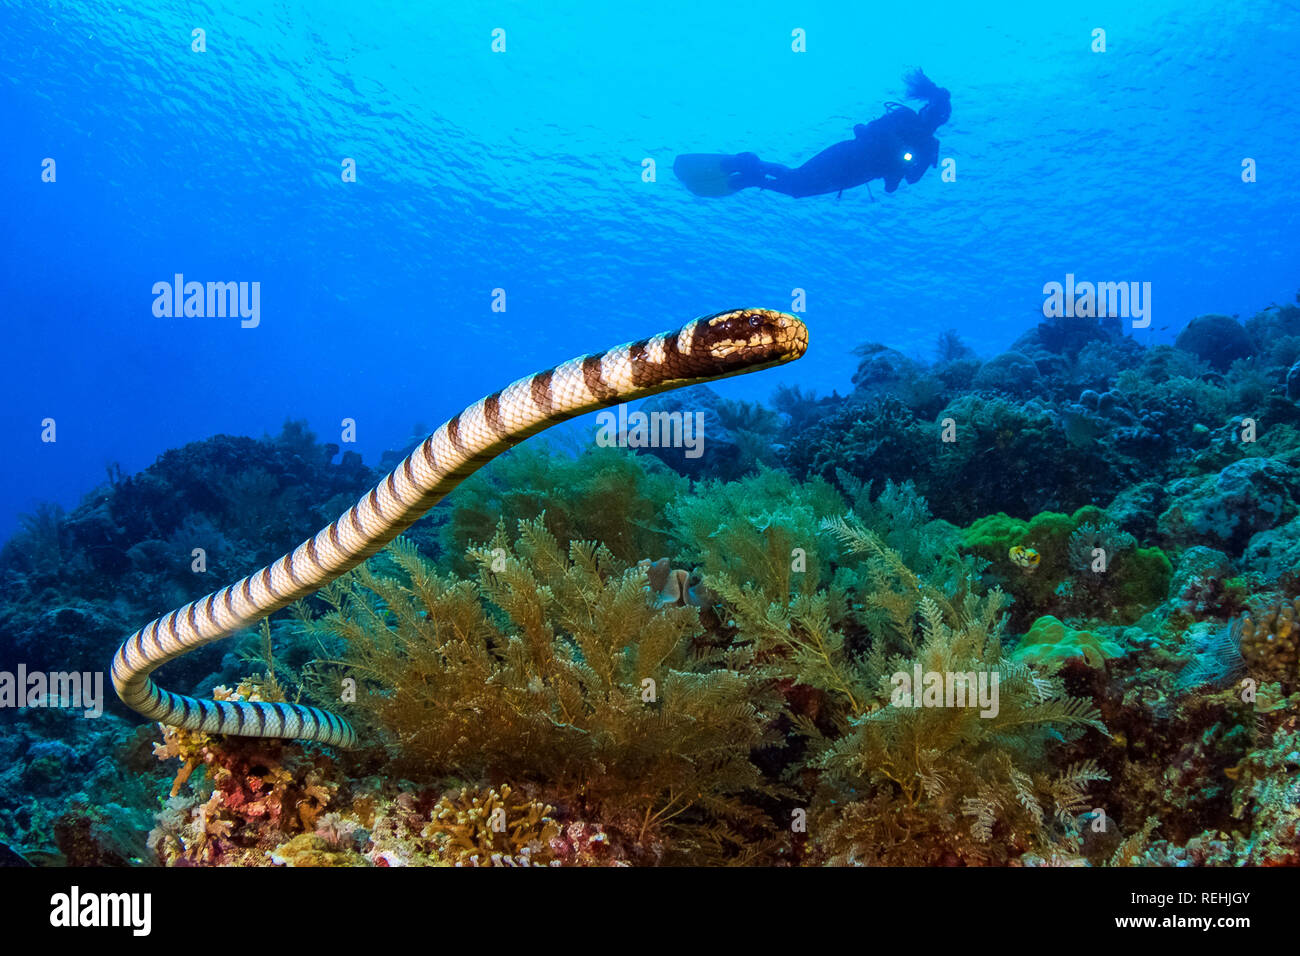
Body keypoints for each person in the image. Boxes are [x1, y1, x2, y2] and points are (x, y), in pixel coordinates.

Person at [674, 70, 951, 199]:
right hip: (849, 157)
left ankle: (750, 174)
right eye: (932, 110)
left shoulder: (930, 147)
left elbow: (908, 181)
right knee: (797, 180)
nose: (932, 116)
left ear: (939, 118)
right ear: (927, 107)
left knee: (797, 188)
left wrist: (907, 163)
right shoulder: (903, 116)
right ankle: (748, 165)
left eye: (937, 115)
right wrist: (896, 148)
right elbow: (865, 130)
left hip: (857, 174)